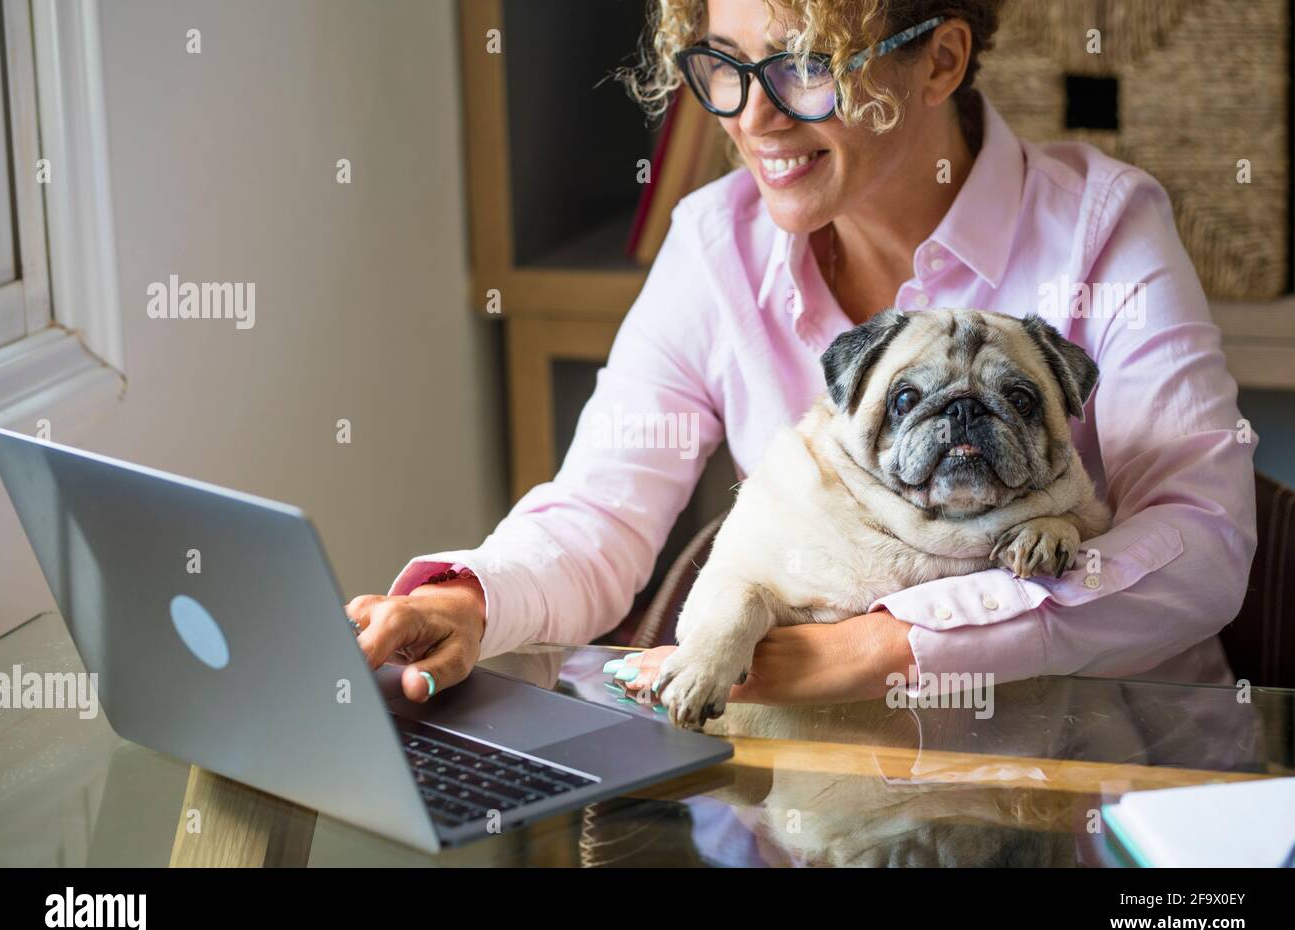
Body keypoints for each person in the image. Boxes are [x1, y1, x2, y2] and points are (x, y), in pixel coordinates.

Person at [346, 0, 1255, 709]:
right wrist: (470, 598)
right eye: (726, 69)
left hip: (1110, 771)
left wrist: (875, 650)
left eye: (808, 66)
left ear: (940, 59)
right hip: (830, 790)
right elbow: (598, 518)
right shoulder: (714, 246)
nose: (755, 120)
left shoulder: (1102, 230)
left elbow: (1202, 548)